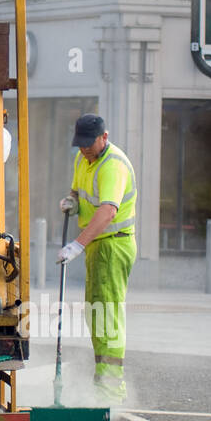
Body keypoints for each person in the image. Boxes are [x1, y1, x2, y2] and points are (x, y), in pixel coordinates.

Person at [58, 113, 137, 402]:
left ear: (104, 137)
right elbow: (78, 190)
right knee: (97, 314)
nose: (84, 150)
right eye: (80, 145)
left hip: (113, 245)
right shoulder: (82, 158)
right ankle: (104, 383)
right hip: (98, 247)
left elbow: (108, 211)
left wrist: (76, 245)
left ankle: (111, 390)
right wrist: (72, 201)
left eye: (88, 145)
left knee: (108, 316)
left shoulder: (113, 165)